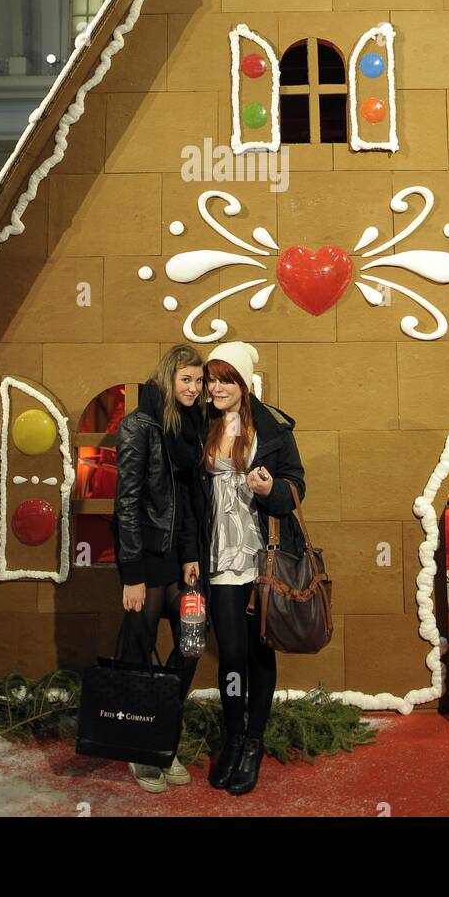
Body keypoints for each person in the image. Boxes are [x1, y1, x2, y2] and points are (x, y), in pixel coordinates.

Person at [181, 341, 305, 797]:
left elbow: (297, 487)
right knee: (231, 654)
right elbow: (191, 498)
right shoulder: (200, 425)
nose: (214, 387)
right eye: (211, 378)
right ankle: (233, 736)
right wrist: (190, 553)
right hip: (219, 561)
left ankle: (253, 742)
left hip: (262, 561)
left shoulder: (272, 428)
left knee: (259, 652)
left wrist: (272, 487)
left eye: (225, 379)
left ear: (243, 382)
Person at [111, 344, 205, 793]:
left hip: (178, 561)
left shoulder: (188, 427)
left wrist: (190, 553)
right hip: (144, 564)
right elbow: (126, 502)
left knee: (190, 644)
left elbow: (186, 499)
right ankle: (141, 749)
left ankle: (165, 734)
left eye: (199, 380)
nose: (194, 388)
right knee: (139, 655)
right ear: (169, 379)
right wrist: (131, 573)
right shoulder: (138, 426)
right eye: (186, 379)